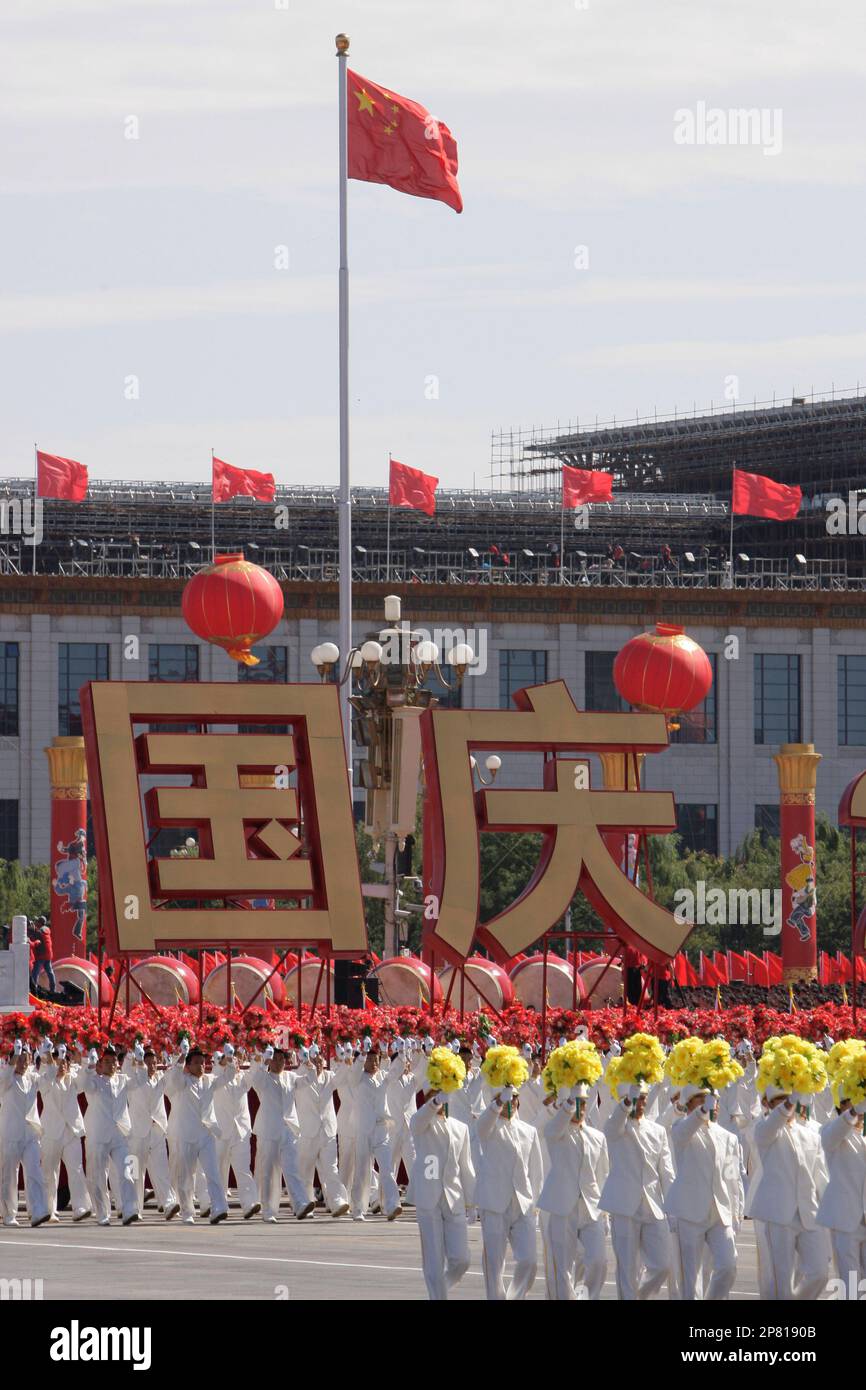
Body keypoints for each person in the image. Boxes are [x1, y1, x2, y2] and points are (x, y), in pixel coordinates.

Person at [746, 1087, 830, 1300]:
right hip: (778, 1214)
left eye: (789, 1099)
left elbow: (821, 1177)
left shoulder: (811, 1135)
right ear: (768, 1104)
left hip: (809, 1213)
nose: (787, 1104)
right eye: (780, 1100)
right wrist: (790, 1101)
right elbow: (771, 1125)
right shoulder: (763, 1130)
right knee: (781, 1281)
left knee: (819, 1273)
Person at [665, 1086, 743, 1300]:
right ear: (689, 1104)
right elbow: (683, 1132)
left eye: (714, 1099)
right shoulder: (681, 1128)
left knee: (728, 1266)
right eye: (702, 1099)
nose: (711, 1104)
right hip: (689, 1212)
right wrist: (701, 1112)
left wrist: (736, 1213)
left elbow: (733, 1178)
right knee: (691, 1282)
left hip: (720, 1213)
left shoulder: (729, 1137)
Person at [599, 1082, 674, 1301]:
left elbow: (667, 1173)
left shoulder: (657, 1130)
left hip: (653, 1206)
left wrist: (672, 1208)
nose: (639, 1102)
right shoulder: (616, 1127)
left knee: (663, 1266)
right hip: (624, 1207)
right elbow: (613, 1128)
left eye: (643, 1097)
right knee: (627, 1269)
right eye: (635, 1098)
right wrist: (626, 1103)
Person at [538, 1084, 609, 1300]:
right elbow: (550, 1130)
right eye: (576, 1103)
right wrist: (568, 1104)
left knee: (598, 1261)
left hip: (590, 1208)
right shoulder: (556, 1131)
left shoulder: (598, 1137)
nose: (580, 1108)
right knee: (563, 1267)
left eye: (583, 1103)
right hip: (562, 1206)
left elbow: (602, 1175)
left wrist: (605, 1213)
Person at [475, 1085, 544, 1300]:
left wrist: (535, 1205)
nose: (511, 1102)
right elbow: (482, 1126)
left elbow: (536, 1171)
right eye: (506, 1098)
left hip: (522, 1204)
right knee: (494, 1264)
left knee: (529, 1261)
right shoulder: (489, 1126)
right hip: (494, 1202)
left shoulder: (528, 1130)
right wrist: (497, 1103)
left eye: (514, 1097)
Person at [408, 1084, 475, 1301]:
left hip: (453, 1198)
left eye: (440, 1094)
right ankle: (438, 1296)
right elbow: (417, 1121)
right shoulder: (422, 1123)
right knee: (434, 1261)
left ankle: (438, 1292)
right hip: (428, 1197)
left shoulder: (460, 1127)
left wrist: (472, 1203)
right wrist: (435, 1102)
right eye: (431, 1095)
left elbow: (466, 1166)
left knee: (462, 1259)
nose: (436, 1098)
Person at [162, 1042, 231, 1225]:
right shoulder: (182, 1082)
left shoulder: (208, 1080)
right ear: (189, 1065)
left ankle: (218, 1208)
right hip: (186, 1135)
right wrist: (181, 1057)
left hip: (206, 1134)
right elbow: (174, 1079)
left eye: (203, 1063)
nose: (202, 1066)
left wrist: (228, 1057)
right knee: (186, 1176)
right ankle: (187, 1212)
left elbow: (228, 1076)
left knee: (213, 1173)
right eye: (197, 1063)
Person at [77, 1044, 147, 1226]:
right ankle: (102, 1213)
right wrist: (89, 1065)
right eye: (106, 1062)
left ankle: (130, 1209)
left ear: (118, 1063)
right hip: (98, 1135)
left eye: (113, 1061)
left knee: (128, 1170)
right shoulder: (94, 1080)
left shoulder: (123, 1080)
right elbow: (84, 1085)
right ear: (100, 1065)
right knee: (98, 1176)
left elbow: (140, 1080)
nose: (110, 1065)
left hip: (120, 1134)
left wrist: (140, 1061)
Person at [245, 1046, 315, 1222]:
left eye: (283, 1060)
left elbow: (308, 1080)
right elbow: (254, 1076)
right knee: (268, 1171)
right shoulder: (263, 1078)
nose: (280, 1063)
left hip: (288, 1129)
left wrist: (310, 1064)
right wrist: (263, 1060)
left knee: (292, 1168)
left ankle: (300, 1204)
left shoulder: (290, 1077)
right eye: (276, 1059)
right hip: (269, 1129)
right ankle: (268, 1210)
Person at [341, 1039, 402, 1222]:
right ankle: (358, 1208)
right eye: (370, 1060)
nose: (374, 1064)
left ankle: (392, 1205)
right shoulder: (357, 1078)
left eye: (376, 1061)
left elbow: (396, 1071)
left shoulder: (382, 1076)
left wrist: (399, 1052)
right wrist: (363, 1053)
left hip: (381, 1128)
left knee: (387, 1168)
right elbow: (354, 1071)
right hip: (363, 1129)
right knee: (362, 1170)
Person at [816, 1088, 866, 1288]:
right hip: (845, 1220)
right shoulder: (830, 1130)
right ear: (841, 1106)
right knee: (851, 1283)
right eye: (850, 1102)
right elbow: (830, 1138)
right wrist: (854, 1113)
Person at [36, 1042, 91, 1222]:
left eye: (64, 1063)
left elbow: (85, 1076)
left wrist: (83, 1053)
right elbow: (50, 1074)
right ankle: (47, 1209)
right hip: (51, 1131)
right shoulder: (44, 1079)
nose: (62, 1066)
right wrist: (51, 1058)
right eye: (58, 1062)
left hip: (71, 1131)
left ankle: (80, 1207)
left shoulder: (73, 1080)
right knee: (49, 1172)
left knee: (76, 1169)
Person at [123, 1045, 178, 1219]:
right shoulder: (133, 1079)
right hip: (137, 1132)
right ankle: (133, 1208)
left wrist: (178, 1055)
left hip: (157, 1130)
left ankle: (168, 1203)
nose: (151, 1066)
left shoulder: (160, 1078)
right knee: (134, 1173)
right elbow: (126, 1067)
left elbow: (175, 1073)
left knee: (161, 1170)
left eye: (154, 1063)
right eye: (148, 1063)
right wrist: (134, 1054)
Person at [293, 1045, 349, 1217]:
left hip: (327, 1131)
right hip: (307, 1131)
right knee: (305, 1170)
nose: (317, 1063)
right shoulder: (298, 1078)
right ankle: (304, 1203)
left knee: (331, 1169)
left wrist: (346, 1061)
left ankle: (337, 1201)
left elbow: (342, 1076)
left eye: (320, 1060)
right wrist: (306, 1067)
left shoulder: (330, 1077)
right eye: (314, 1059)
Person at [0, 1040, 50, 1227]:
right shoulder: (6, 1077)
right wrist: (13, 1057)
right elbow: (3, 1079)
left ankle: (37, 1210)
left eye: (26, 1059)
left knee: (34, 1172)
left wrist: (47, 1055)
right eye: (19, 1059)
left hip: (30, 1134)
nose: (23, 1063)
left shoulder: (32, 1077)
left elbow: (48, 1077)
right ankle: (9, 1214)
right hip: (11, 1134)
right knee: (10, 1176)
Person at [30, 918, 56, 994]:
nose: (35, 922)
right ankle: (53, 990)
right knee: (50, 972)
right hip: (49, 955)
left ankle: (34, 990)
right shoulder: (47, 930)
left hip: (41, 956)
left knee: (35, 973)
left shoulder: (39, 931)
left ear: (40, 923)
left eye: (37, 921)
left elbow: (33, 940)